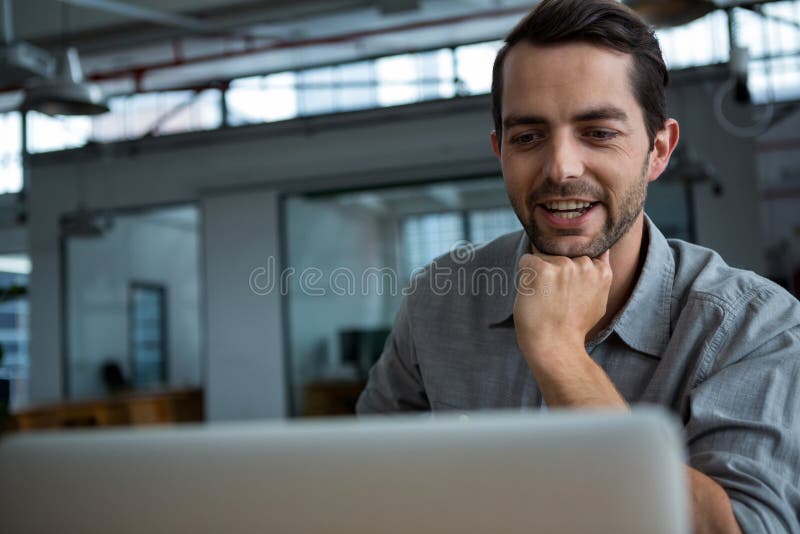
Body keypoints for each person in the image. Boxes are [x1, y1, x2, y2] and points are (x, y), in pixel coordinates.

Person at [356, 0, 800, 532]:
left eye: (598, 132)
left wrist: (561, 356)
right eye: (528, 137)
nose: (561, 167)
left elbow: (744, 527)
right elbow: (364, 486)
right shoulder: (438, 302)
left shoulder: (756, 326)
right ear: (500, 151)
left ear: (659, 150)